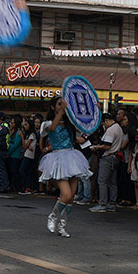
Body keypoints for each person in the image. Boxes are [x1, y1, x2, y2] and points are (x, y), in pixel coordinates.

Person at [39, 96, 92, 237]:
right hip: (58, 159)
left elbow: (84, 131)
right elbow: (53, 128)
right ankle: (53, 216)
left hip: (72, 157)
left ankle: (62, 226)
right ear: (53, 107)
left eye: (63, 104)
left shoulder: (70, 124)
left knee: (71, 197)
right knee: (66, 194)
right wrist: (62, 112)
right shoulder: (47, 123)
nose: (62, 106)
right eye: (59, 104)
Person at [89, 112, 123, 213]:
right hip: (115, 157)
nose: (104, 126)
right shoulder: (118, 128)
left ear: (106, 121)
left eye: (104, 123)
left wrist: (96, 147)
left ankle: (102, 204)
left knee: (102, 181)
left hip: (108, 157)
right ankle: (112, 203)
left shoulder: (111, 130)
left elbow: (107, 146)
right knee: (112, 182)